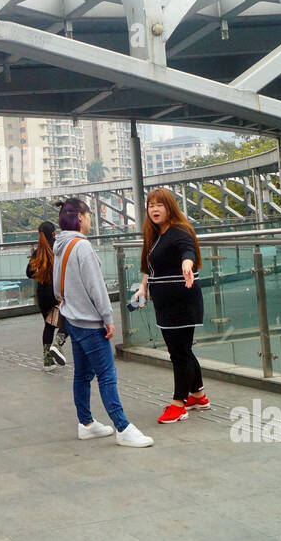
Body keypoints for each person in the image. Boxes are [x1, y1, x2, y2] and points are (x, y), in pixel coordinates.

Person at [53, 197, 153, 448]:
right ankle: (123, 427)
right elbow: (97, 289)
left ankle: (86, 423)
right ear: (80, 217)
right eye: (88, 215)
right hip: (89, 322)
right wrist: (108, 318)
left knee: (83, 374)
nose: (90, 219)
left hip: (72, 319)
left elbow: (57, 287)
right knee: (107, 375)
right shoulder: (82, 247)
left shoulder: (60, 245)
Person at [136, 188, 210, 425]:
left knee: (179, 352)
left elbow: (187, 251)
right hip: (165, 302)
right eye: (150, 205)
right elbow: (151, 268)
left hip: (182, 300)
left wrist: (187, 265)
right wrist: (142, 287)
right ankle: (197, 394)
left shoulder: (180, 231)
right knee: (182, 350)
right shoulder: (155, 234)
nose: (154, 209)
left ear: (170, 207)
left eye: (159, 205)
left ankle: (179, 404)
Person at [26, 221, 68, 370]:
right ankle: (57, 344)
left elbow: (28, 273)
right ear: (54, 233)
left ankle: (47, 360)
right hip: (56, 294)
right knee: (68, 322)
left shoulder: (38, 252)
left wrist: (41, 274)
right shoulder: (58, 248)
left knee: (48, 326)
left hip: (42, 295)